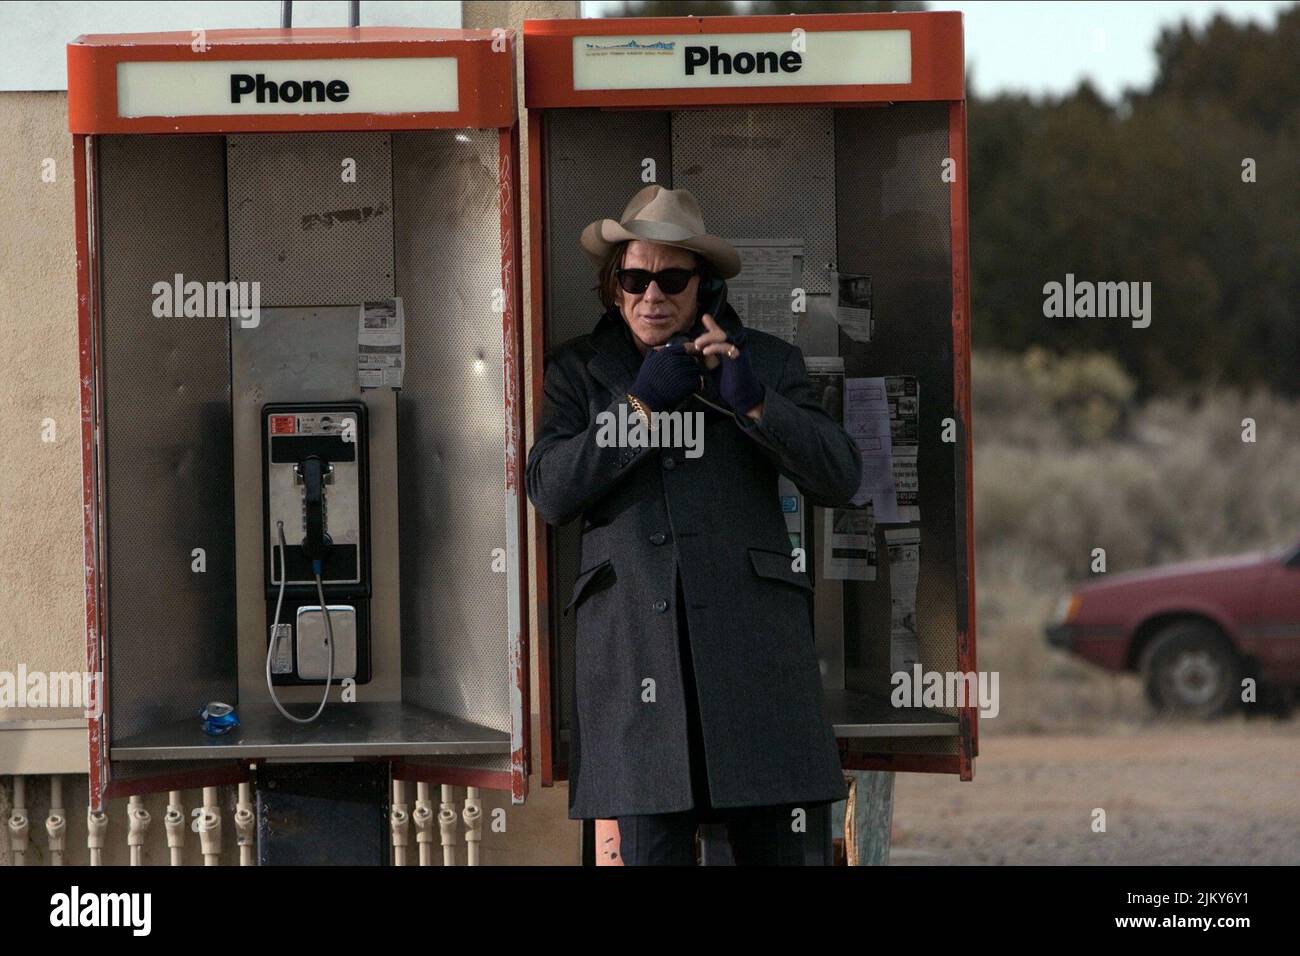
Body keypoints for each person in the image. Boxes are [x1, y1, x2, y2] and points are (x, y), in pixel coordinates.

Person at [525, 184, 862, 865]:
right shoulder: (579, 373)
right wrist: (637, 410)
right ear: (613, 287)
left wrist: (757, 407)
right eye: (635, 277)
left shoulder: (763, 363)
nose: (653, 295)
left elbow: (842, 477)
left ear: (703, 288)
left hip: (755, 673)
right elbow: (551, 492)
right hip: (637, 674)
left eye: (672, 278)